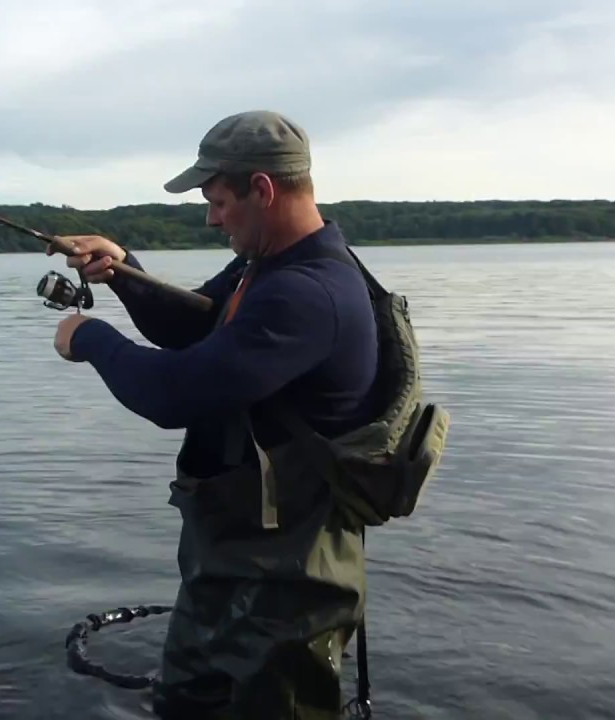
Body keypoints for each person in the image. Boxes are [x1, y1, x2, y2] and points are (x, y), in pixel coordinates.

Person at [50, 110, 380, 719]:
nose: (211, 218)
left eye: (218, 201)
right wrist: (124, 270)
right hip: (233, 560)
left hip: (288, 584)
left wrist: (90, 338)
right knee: (183, 705)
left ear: (264, 190)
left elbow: (174, 394)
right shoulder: (268, 265)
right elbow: (196, 327)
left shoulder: (308, 293)